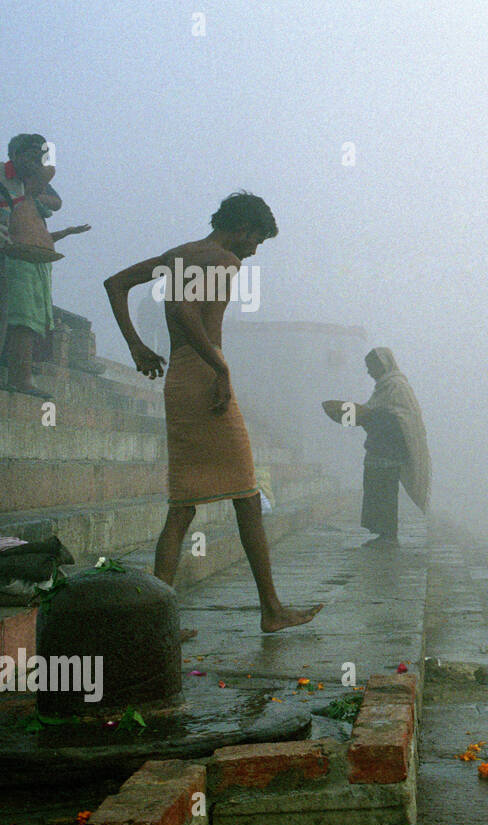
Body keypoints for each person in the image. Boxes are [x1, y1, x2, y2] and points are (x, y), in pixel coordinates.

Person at [103, 191, 320, 632]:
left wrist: (136, 345)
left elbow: (115, 283)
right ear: (241, 228)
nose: (255, 250)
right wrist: (219, 366)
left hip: (180, 378)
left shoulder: (180, 254)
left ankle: (160, 620)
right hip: (204, 377)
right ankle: (271, 610)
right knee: (245, 495)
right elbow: (184, 310)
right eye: (256, 239)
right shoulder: (222, 259)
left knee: (185, 505)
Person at [1, 133, 90, 397]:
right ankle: (19, 378)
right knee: (19, 319)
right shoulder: (7, 179)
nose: (35, 163)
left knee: (25, 320)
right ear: (15, 155)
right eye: (29, 156)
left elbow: (54, 199)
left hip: (30, 259)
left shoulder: (27, 190)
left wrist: (65, 233)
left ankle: (20, 374)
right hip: (12, 257)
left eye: (39, 157)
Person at [323, 347, 430, 548]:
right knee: (374, 491)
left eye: (371, 367)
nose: (369, 372)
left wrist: (371, 416)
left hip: (389, 452)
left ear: (382, 365)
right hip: (377, 450)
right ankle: (381, 533)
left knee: (385, 493)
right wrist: (359, 416)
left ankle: (388, 535)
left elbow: (403, 419)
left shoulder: (397, 387)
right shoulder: (382, 388)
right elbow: (369, 413)